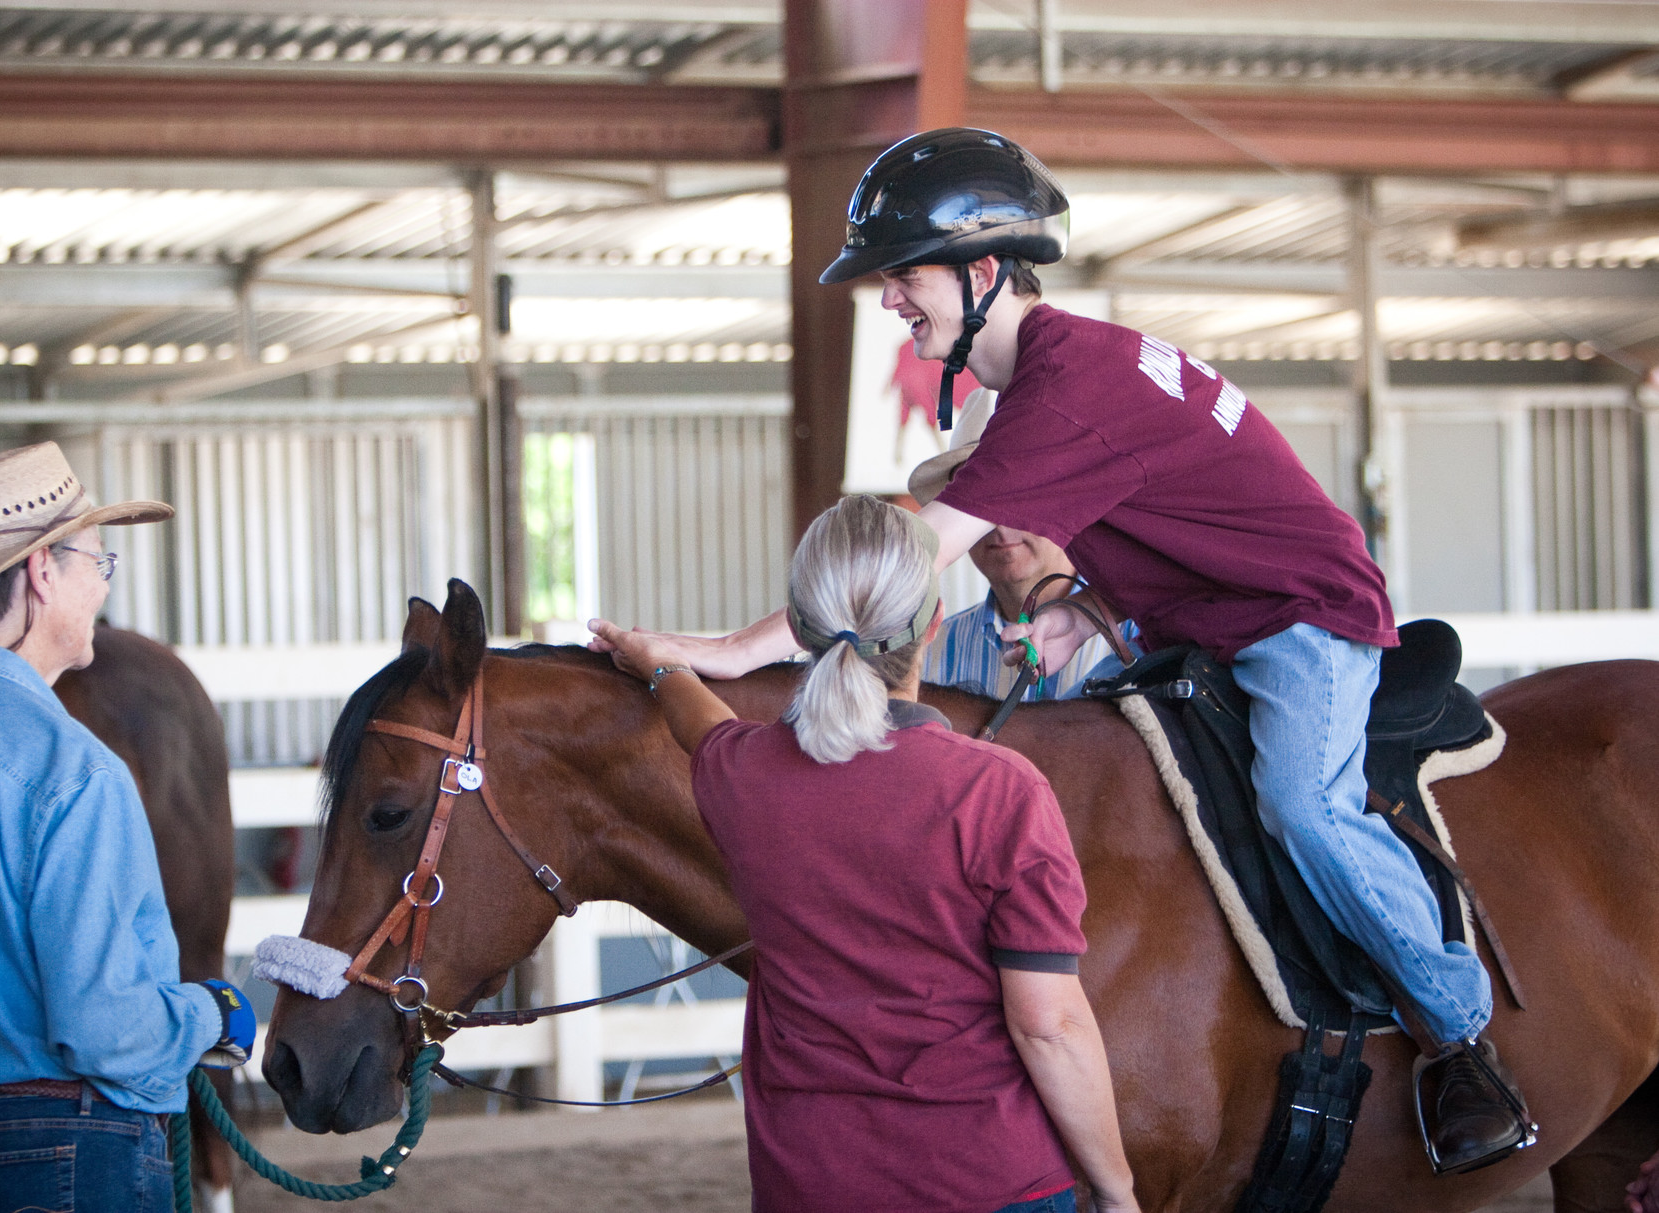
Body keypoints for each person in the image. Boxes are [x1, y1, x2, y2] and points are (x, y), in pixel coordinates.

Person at [592, 127, 1530, 1175]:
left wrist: (721, 650)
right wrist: (1091, 609)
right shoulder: (1045, 379)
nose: (891, 301)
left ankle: (1461, 1038)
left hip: (1298, 620)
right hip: (1188, 619)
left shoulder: (1070, 388)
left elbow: (901, 569)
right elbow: (1102, 503)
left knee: (1304, 806)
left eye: (904, 279)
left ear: (982, 273)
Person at [602, 494, 1138, 1213]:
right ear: (937, 622)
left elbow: (703, 725)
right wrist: (1116, 1186)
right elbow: (1048, 1023)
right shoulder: (1000, 791)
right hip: (987, 1180)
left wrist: (661, 667)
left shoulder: (744, 772)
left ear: (797, 626)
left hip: (812, 1183)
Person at [0, 441, 254, 1212]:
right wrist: (215, 1013)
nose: (102, 583)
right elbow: (106, 1027)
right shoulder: (74, 769)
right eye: (98, 560)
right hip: (69, 1153)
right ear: (40, 573)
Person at [913, 390, 1137, 702]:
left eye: (1022, 495)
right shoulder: (927, 658)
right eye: (976, 503)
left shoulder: (1141, 634)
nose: (999, 523)